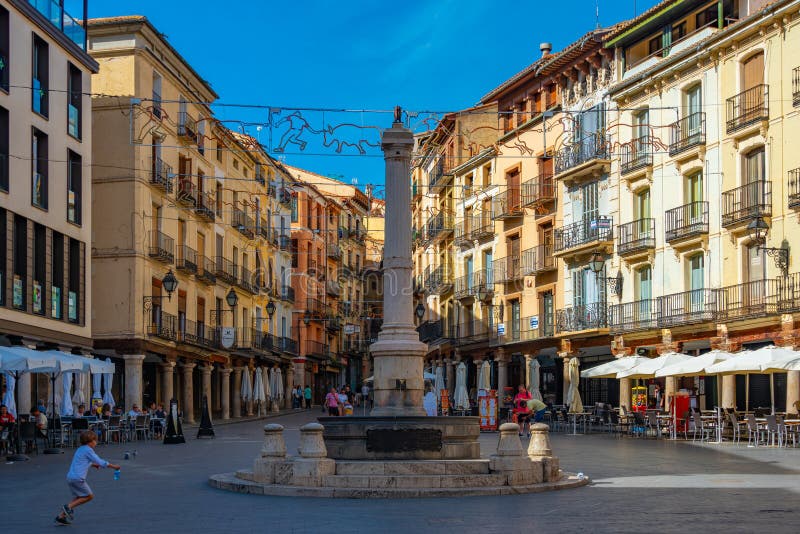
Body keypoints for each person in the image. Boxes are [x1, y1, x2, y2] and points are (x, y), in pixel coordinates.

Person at [55, 430, 121, 525]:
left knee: (79, 497)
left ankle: (60, 516)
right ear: (90, 441)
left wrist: (93, 465)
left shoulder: (80, 449)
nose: (96, 443)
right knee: (89, 496)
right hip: (78, 478)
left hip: (70, 477)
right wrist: (115, 466)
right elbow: (101, 461)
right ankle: (67, 507)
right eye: (95, 441)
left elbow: (81, 461)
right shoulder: (89, 450)